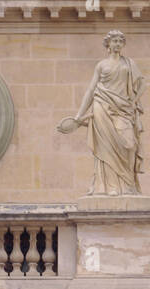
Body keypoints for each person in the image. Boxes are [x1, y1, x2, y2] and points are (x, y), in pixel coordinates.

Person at [61, 30, 144, 196]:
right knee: (105, 147)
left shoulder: (129, 64)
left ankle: (127, 185)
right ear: (108, 44)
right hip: (102, 107)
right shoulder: (101, 65)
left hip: (124, 109)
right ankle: (107, 187)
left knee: (129, 145)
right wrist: (79, 115)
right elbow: (91, 89)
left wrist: (134, 102)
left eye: (121, 41)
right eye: (115, 41)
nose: (118, 44)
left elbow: (141, 85)